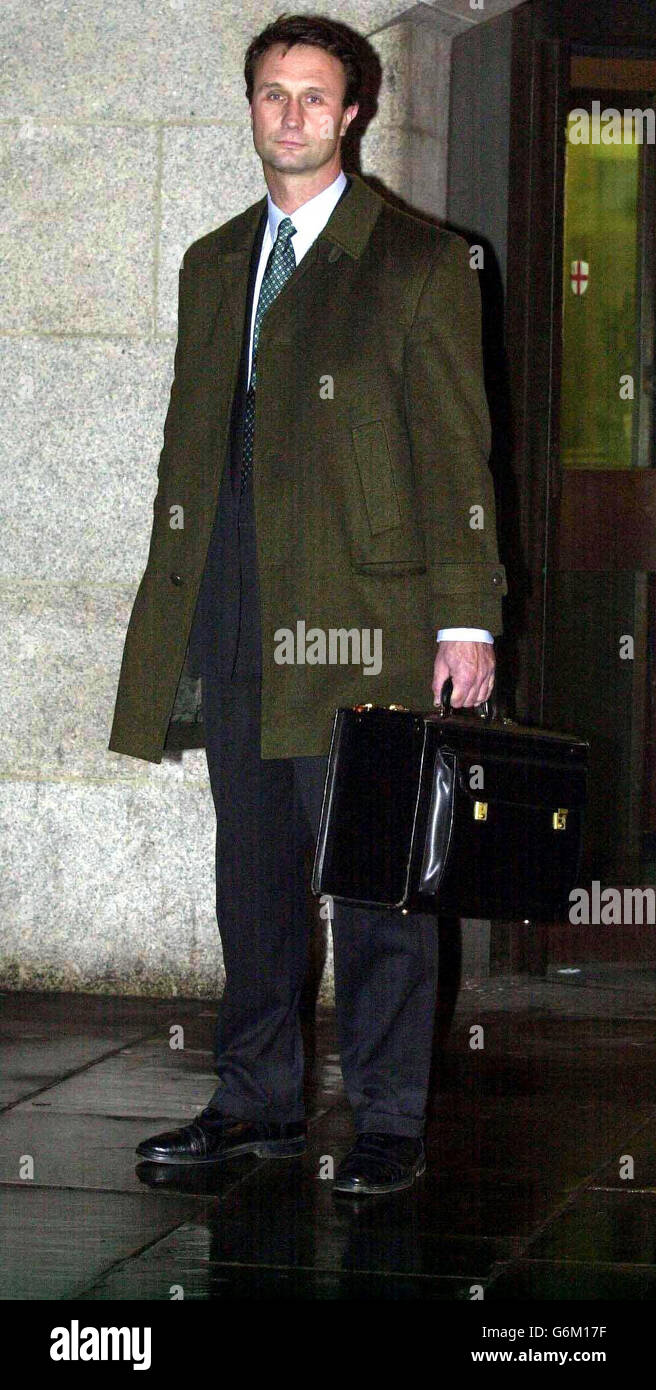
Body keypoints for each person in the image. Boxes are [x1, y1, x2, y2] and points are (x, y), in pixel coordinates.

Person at [108, 13, 507, 1195]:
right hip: (235, 603)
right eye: (271, 93)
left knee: (376, 883)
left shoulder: (419, 265)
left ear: (352, 113)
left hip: (366, 620)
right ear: (252, 110)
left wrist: (466, 618)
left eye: (313, 95)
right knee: (254, 874)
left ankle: (387, 1116)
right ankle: (257, 1099)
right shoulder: (213, 261)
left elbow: (456, 457)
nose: (290, 114)